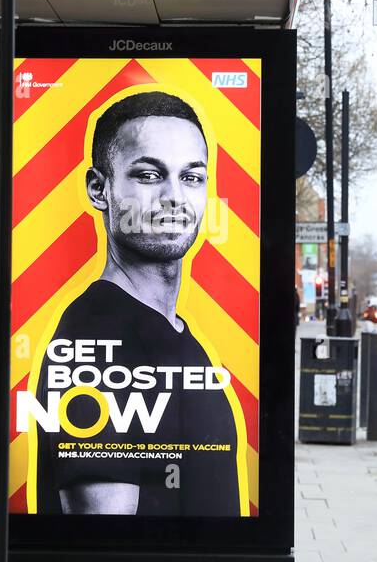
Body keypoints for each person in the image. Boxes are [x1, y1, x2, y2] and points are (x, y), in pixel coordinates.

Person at [33, 92, 240, 517]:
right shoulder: (96, 336)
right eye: (148, 175)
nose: (174, 197)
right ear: (98, 189)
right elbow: (106, 547)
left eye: (192, 177)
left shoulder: (174, 331)